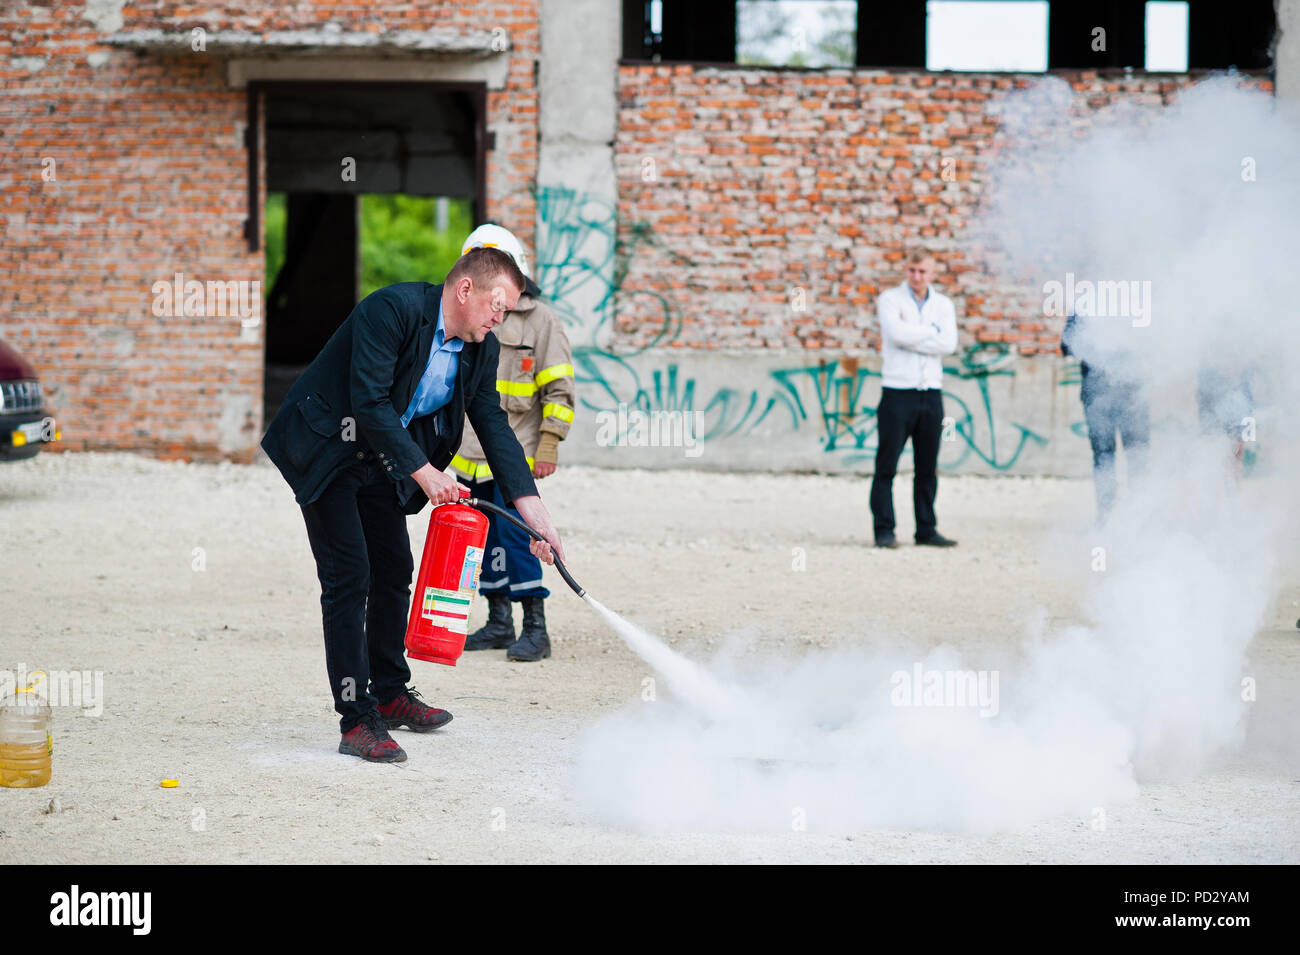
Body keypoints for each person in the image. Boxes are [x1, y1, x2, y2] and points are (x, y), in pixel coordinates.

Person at [260, 247, 566, 764]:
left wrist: (533, 511)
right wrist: (425, 473)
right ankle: (357, 720)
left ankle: (390, 691)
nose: (502, 318)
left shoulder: (479, 345)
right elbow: (370, 402)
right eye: (499, 305)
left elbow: (490, 421)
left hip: (382, 455)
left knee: (394, 568)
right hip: (328, 446)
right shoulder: (391, 310)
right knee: (349, 577)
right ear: (465, 290)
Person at [449, 225, 575, 662]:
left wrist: (549, 445)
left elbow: (559, 391)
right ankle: (499, 621)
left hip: (514, 456)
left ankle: (535, 628)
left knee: (520, 541)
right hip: (467, 456)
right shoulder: (462, 316)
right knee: (482, 546)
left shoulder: (541, 321)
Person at [869, 249, 959, 548]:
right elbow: (896, 335)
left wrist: (915, 335)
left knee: (927, 467)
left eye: (922, 271)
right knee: (887, 466)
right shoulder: (890, 300)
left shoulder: (943, 304)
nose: (916, 277)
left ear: (932, 272)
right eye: (911, 270)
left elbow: (949, 343)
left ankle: (926, 529)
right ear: (905, 271)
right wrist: (930, 333)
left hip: (931, 393)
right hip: (897, 393)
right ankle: (884, 530)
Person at [1061, 312, 1150, 522]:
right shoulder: (1087, 305)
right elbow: (1067, 345)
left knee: (1127, 457)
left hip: (1129, 393)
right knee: (1112, 457)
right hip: (1104, 393)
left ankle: (1130, 520)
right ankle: (1114, 520)